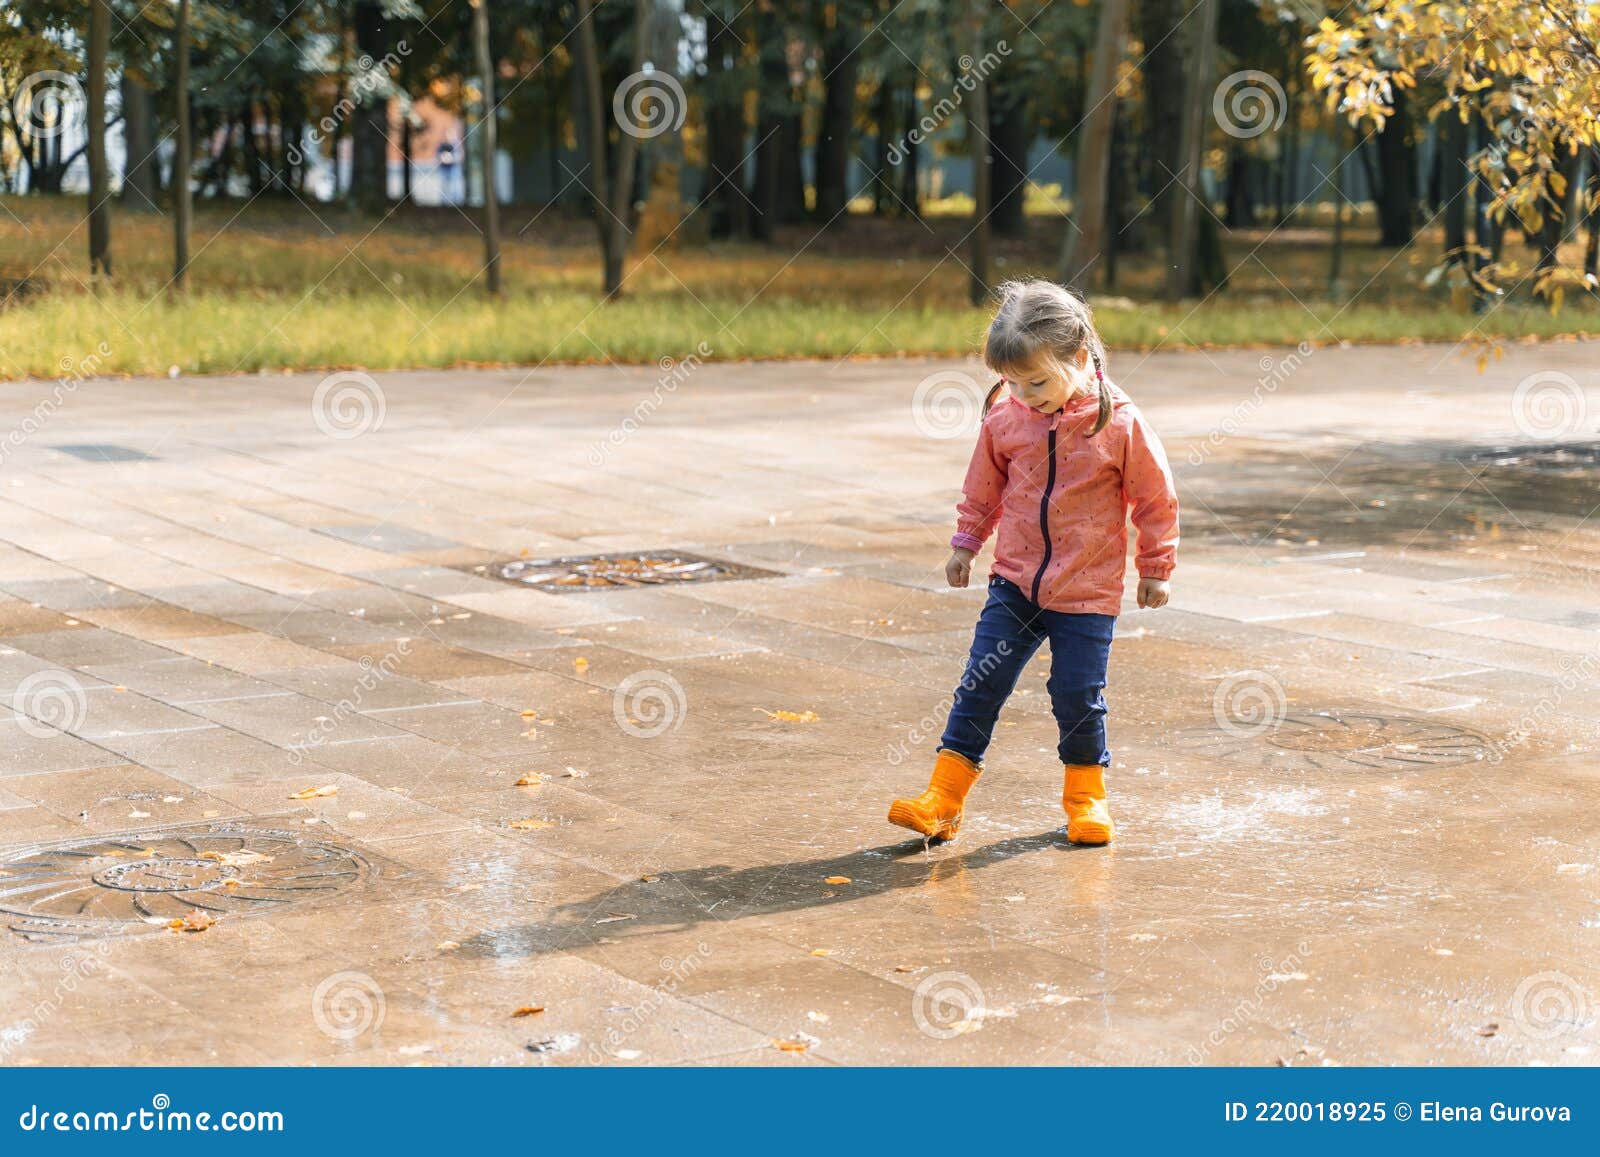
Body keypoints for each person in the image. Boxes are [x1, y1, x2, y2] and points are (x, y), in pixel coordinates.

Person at [888, 279, 1179, 845]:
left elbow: (1155, 498)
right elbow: (983, 487)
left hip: (1086, 595)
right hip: (1015, 584)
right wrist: (965, 544)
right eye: (1013, 381)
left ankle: (1085, 798)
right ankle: (943, 799)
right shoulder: (1007, 416)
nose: (1026, 393)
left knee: (1076, 694)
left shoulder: (1118, 422)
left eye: (1038, 381)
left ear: (1078, 356)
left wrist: (1156, 567)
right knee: (982, 680)